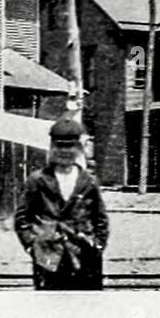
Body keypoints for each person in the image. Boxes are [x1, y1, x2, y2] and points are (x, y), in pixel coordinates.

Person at [13, 118, 109, 290]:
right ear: (52, 147)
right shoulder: (38, 180)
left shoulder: (88, 181)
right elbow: (22, 218)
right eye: (60, 146)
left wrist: (98, 245)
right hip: (49, 255)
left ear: (78, 148)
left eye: (70, 146)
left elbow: (100, 217)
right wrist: (31, 246)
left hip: (84, 252)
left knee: (88, 309)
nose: (65, 151)